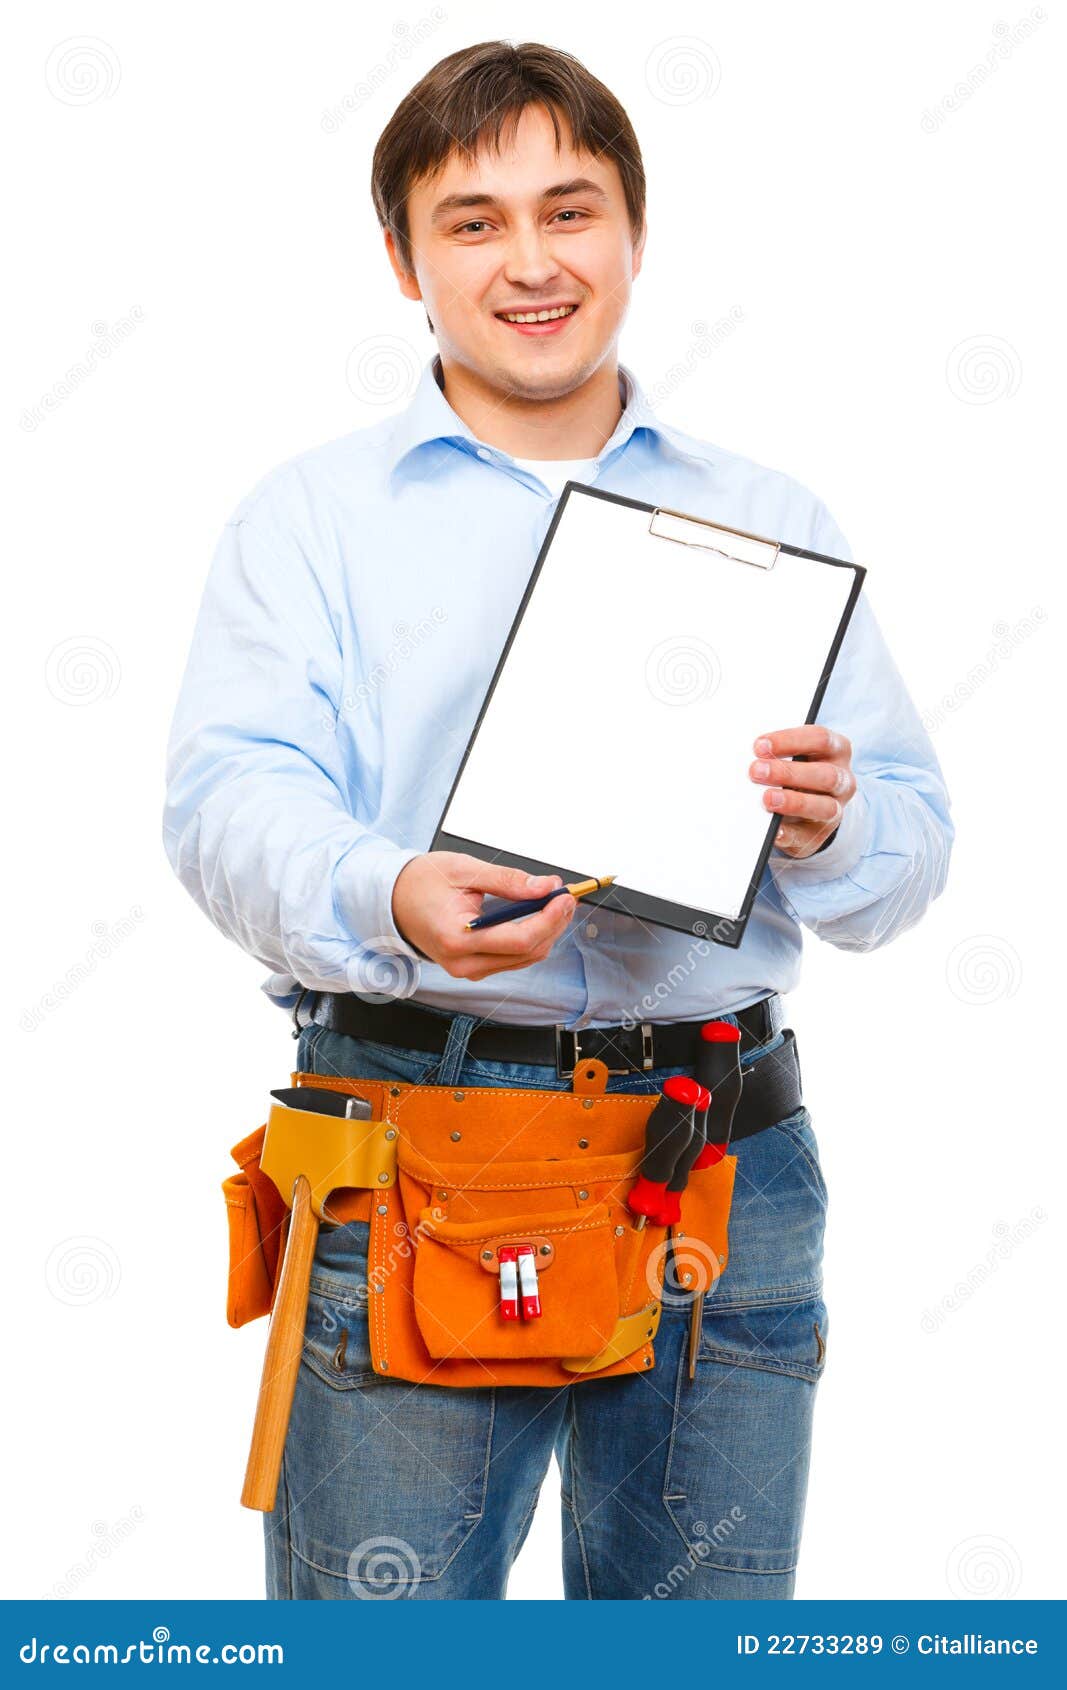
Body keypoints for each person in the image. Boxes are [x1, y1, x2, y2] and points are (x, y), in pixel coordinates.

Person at [162, 41, 954, 1600]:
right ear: (403, 259)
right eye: (473, 221)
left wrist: (825, 829)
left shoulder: (773, 520)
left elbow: (910, 849)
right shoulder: (310, 519)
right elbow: (222, 801)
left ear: (633, 236)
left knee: (701, 1649)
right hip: (418, 1148)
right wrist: (387, 892)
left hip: (727, 1161)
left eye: (569, 209)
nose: (532, 262)